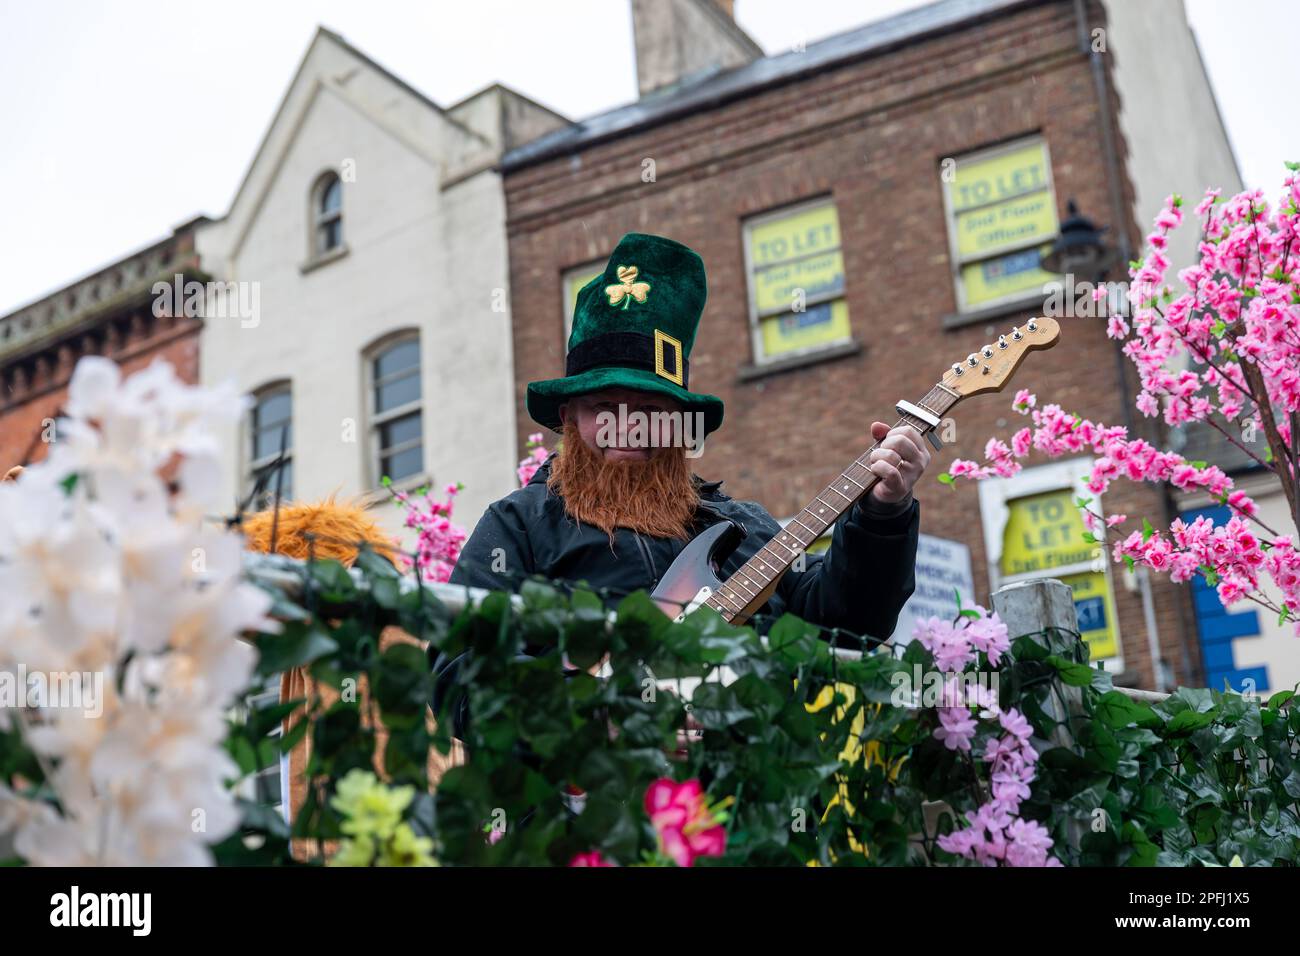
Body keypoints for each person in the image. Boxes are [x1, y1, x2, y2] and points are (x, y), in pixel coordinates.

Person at [448, 232, 928, 642]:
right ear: (568, 416)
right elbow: (462, 674)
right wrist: (599, 721)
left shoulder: (747, 529)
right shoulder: (518, 528)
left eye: (652, 410)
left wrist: (883, 513)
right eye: (603, 408)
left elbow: (851, 627)